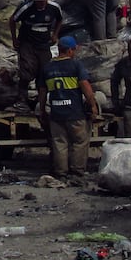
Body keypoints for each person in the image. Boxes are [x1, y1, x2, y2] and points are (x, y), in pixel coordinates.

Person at [37, 35, 99, 178]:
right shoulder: (75, 66)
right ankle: (77, 171)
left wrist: (41, 110)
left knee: (59, 143)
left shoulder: (47, 68)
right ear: (70, 50)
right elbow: (86, 87)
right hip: (75, 113)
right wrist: (93, 105)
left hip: (56, 114)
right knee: (80, 142)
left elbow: (42, 91)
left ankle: (61, 172)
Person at [8, 0, 63, 110]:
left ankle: (42, 101)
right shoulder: (26, 8)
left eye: (42, 1)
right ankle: (21, 100)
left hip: (44, 45)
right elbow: (12, 20)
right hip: (27, 43)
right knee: (27, 70)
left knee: (44, 72)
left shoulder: (54, 8)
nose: (40, 4)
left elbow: (60, 20)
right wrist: (14, 39)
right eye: (37, 2)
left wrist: (55, 34)